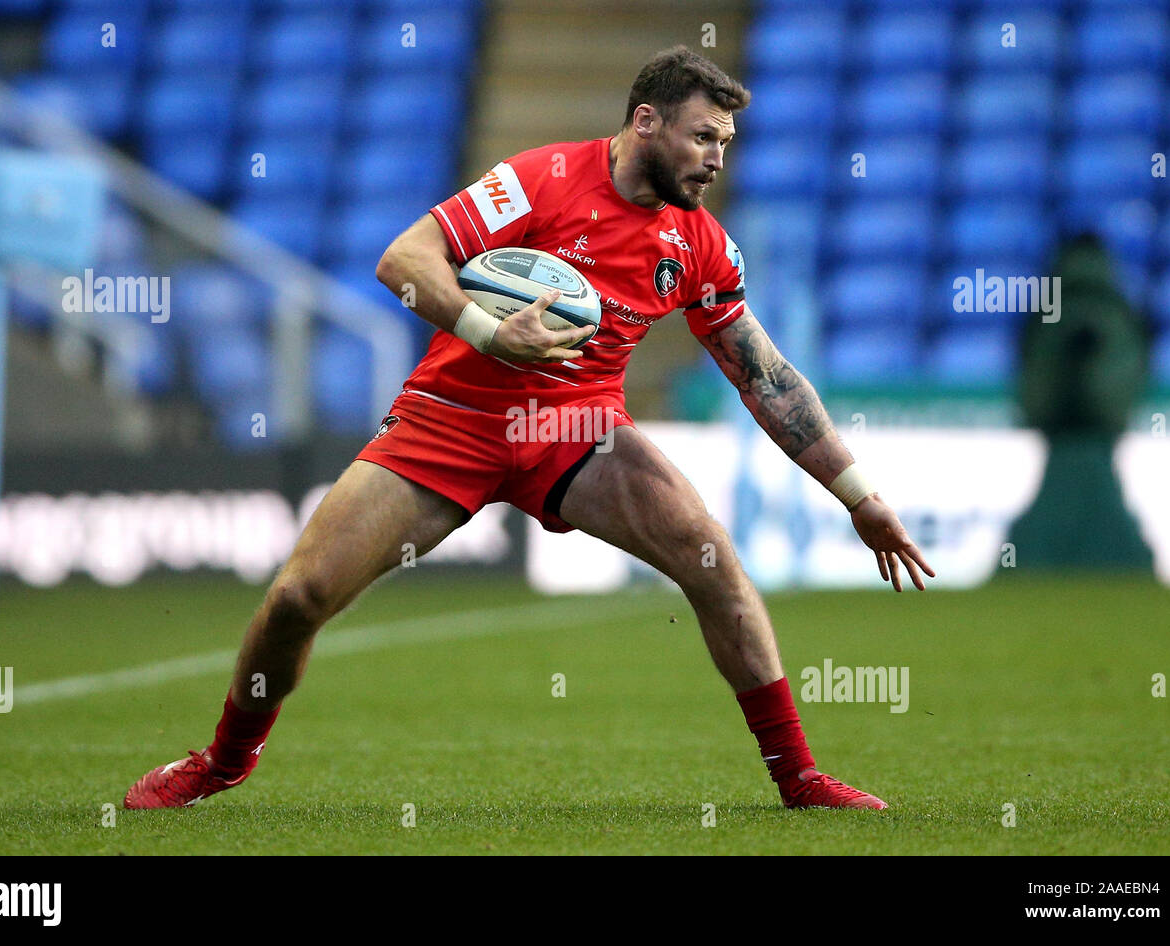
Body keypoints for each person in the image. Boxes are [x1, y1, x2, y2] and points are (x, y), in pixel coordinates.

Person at [125, 46, 933, 812]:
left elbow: (769, 380)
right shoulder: (540, 179)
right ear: (646, 122)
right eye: (703, 136)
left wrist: (858, 497)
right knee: (299, 598)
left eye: (725, 141)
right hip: (454, 420)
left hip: (579, 430)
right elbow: (404, 258)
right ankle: (222, 764)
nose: (717, 158)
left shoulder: (701, 248)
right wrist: (487, 330)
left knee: (714, 563)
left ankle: (798, 778)